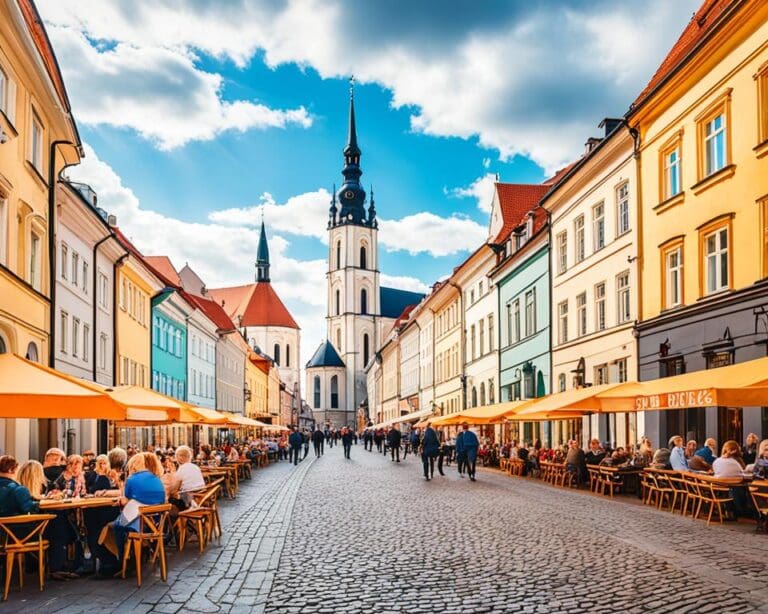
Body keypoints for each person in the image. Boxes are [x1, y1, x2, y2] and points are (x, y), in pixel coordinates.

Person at [113, 452, 166, 562]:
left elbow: (125, 500)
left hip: (139, 523)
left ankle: (122, 560)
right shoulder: (157, 479)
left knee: (116, 526)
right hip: (155, 523)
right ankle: (140, 555)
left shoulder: (132, 479)